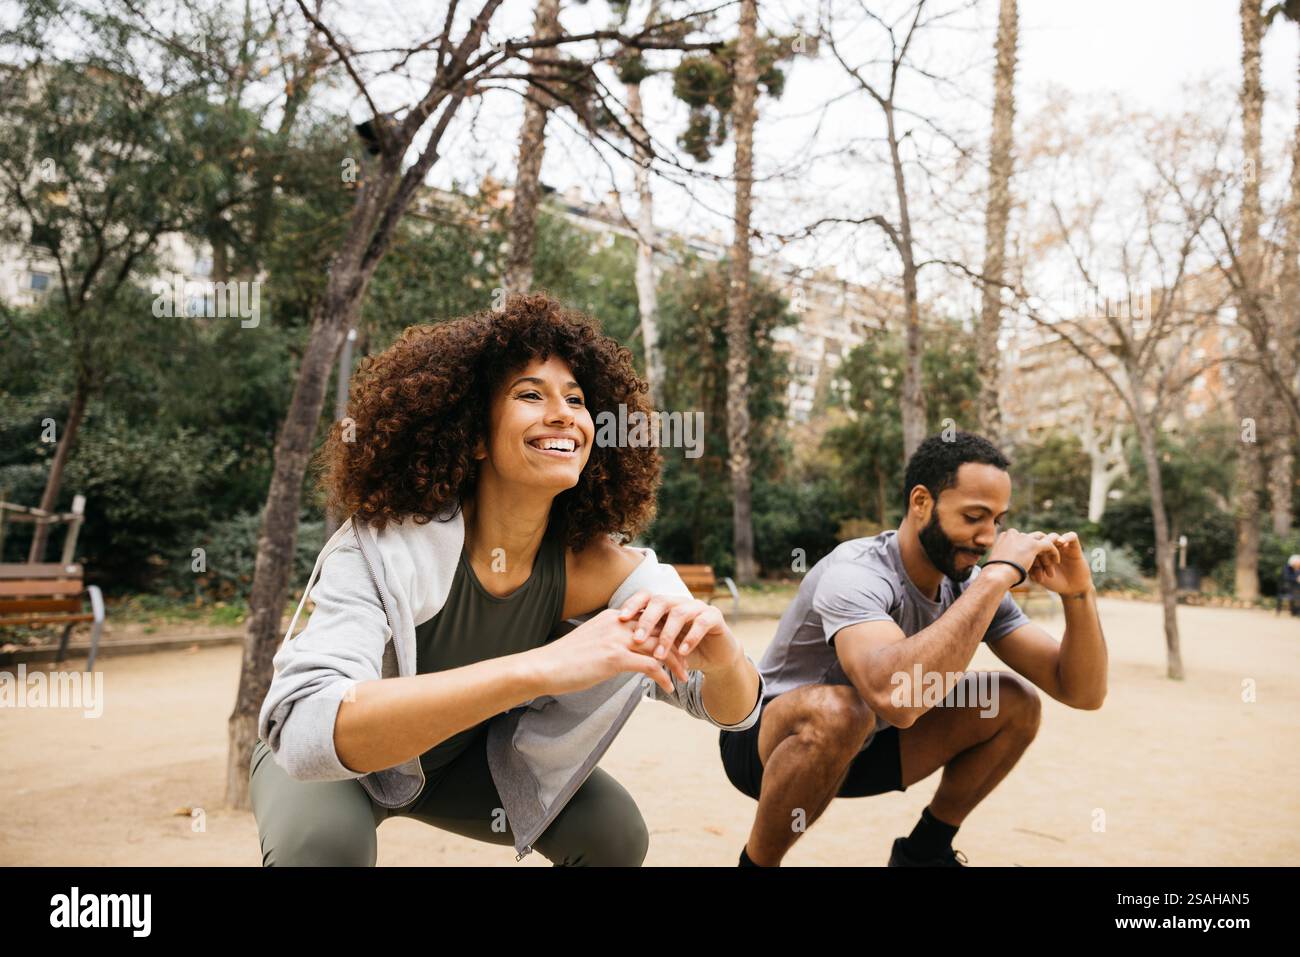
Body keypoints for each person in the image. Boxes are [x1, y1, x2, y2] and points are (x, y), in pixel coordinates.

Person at [252, 293, 763, 866]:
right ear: (474, 436)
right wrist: (539, 667)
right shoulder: (382, 546)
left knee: (612, 832)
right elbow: (308, 728)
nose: (564, 413)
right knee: (325, 846)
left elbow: (732, 709)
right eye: (530, 395)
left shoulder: (605, 570)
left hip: (458, 768)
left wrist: (724, 661)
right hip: (337, 766)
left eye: (575, 399)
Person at [719, 430, 1108, 866]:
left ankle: (924, 856)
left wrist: (1079, 595)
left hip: (870, 744)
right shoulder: (856, 572)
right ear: (921, 502)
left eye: (996, 520)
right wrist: (998, 577)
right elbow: (897, 698)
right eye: (975, 516)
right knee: (842, 711)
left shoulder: (970, 585)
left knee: (1013, 702)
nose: (987, 537)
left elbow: (1081, 691)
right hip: (767, 745)